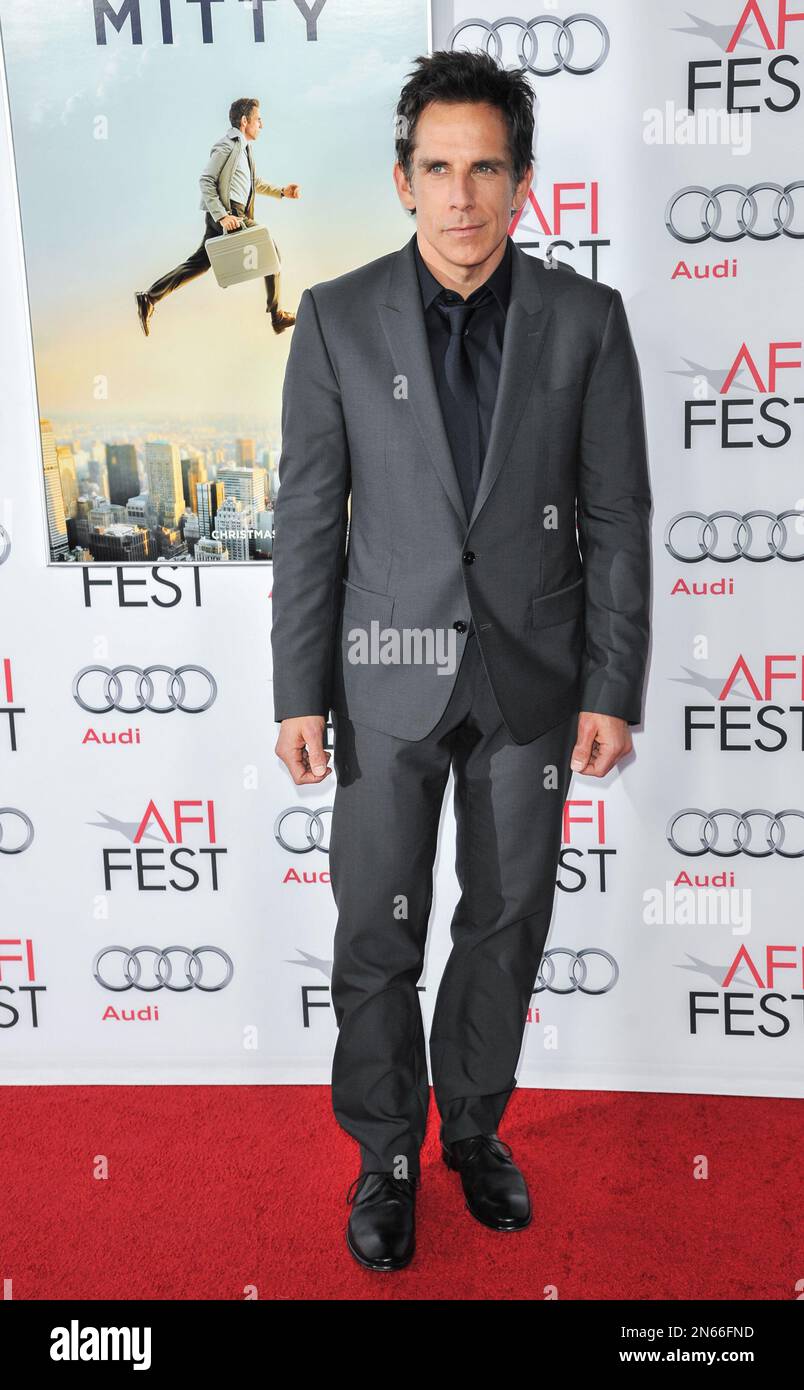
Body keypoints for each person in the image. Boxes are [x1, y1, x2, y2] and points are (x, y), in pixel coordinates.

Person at [271, 49, 652, 1272]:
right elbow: (308, 516)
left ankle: (473, 1135)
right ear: (402, 181)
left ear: (523, 184)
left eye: (487, 167)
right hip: (381, 684)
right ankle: (384, 1159)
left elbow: (618, 517)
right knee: (377, 938)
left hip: (533, 688)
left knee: (503, 924)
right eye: (437, 167)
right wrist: (296, 695)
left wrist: (611, 683)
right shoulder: (334, 317)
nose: (462, 194)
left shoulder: (587, 322)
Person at [135, 97, 298, 336]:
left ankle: (149, 298)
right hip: (229, 213)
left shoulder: (244, 149)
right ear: (244, 121)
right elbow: (206, 180)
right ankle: (277, 316)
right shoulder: (228, 145)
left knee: (200, 263)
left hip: (229, 213)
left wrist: (282, 191)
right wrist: (222, 216)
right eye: (258, 119)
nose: (261, 125)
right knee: (269, 252)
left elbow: (254, 183)